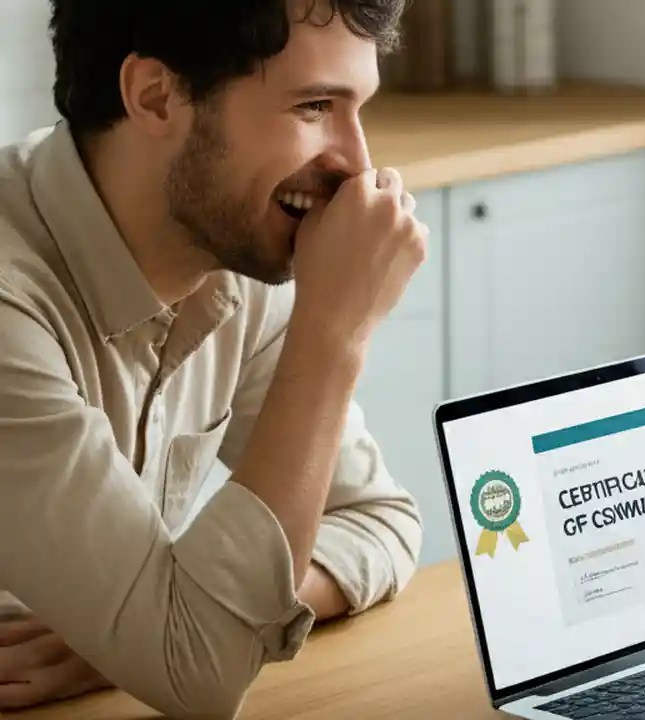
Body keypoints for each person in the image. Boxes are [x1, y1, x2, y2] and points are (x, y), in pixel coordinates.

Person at [0, 0, 427, 716]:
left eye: (358, 108)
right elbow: (198, 671)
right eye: (315, 105)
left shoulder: (232, 255)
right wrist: (334, 335)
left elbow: (381, 518)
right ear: (156, 97)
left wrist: (124, 636)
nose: (357, 164)